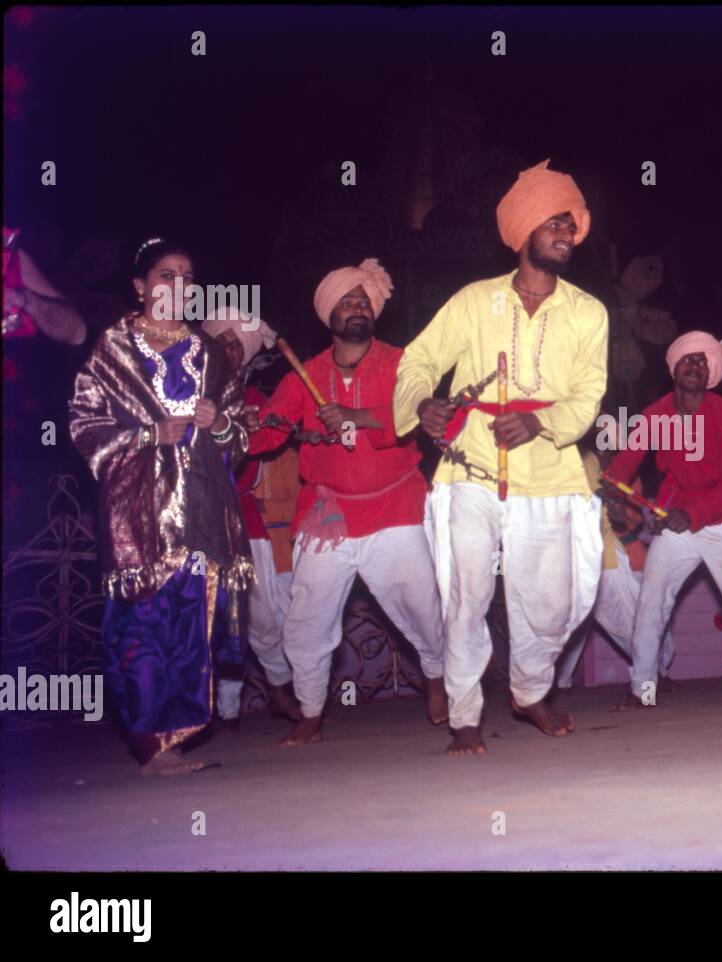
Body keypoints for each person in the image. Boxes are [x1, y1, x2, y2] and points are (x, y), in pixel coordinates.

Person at [395, 160, 607, 756]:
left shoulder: (589, 311)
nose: (566, 233)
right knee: (465, 594)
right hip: (471, 469)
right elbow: (417, 361)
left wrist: (542, 421)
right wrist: (424, 404)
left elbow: (589, 393)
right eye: (554, 222)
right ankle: (465, 714)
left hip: (551, 469)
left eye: (572, 223)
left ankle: (529, 689)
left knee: (557, 600)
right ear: (523, 231)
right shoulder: (473, 301)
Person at [68, 238, 252, 775]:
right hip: (139, 512)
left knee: (191, 625)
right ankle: (151, 741)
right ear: (141, 286)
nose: (178, 284)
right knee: (141, 624)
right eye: (166, 275)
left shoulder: (210, 353)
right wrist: (149, 434)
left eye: (187, 276)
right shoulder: (112, 349)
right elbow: (84, 423)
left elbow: (239, 434)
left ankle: (174, 735)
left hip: (200, 510)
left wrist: (218, 422)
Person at [248, 259, 446, 746]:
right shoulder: (304, 376)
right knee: (306, 620)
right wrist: (251, 427)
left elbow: (416, 414)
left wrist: (360, 415)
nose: (357, 307)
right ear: (328, 315)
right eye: (346, 301)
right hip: (327, 514)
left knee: (422, 607)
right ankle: (312, 713)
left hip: (394, 509)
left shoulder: (403, 363)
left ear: (374, 311)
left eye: (363, 300)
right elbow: (269, 433)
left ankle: (438, 676)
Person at [600, 331, 722, 709]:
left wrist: (692, 514)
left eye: (702, 360)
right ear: (674, 369)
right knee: (651, 601)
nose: (694, 366)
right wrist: (613, 486)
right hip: (677, 522)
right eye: (688, 359)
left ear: (711, 371)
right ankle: (644, 689)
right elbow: (626, 460)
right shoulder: (655, 414)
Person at [201, 306, 303, 727]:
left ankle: (279, 690)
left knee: (263, 617)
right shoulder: (187, 395)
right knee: (202, 619)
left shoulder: (258, 402)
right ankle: (206, 709)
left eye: (235, 345)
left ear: (245, 355)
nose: (228, 350)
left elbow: (280, 441)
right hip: (198, 525)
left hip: (249, 523)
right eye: (220, 341)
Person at [554, 445, 674, 692]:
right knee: (578, 622)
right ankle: (557, 686)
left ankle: (652, 679)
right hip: (589, 553)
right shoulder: (577, 459)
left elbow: (635, 517)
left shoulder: (627, 467)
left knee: (637, 620)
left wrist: (619, 512)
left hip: (614, 554)